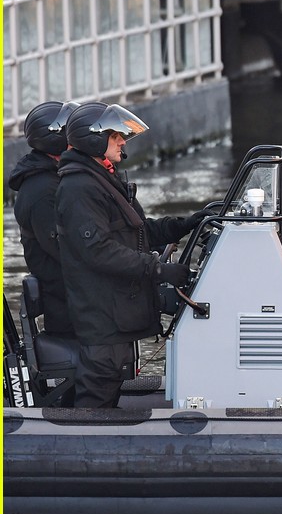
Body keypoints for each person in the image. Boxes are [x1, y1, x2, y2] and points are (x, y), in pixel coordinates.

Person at [55, 102, 210, 408]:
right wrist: (159, 269)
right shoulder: (79, 188)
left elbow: (136, 231)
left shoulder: (102, 178)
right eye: (116, 137)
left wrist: (183, 225)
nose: (123, 142)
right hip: (102, 313)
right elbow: (98, 251)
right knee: (99, 386)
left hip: (117, 311)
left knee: (111, 377)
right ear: (95, 140)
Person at [8, 100, 80, 337]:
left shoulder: (54, 176)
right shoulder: (41, 190)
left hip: (76, 295)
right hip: (68, 305)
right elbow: (62, 248)